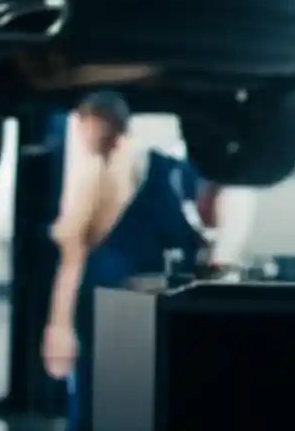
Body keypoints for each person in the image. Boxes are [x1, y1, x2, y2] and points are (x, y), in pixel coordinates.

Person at [41, 90, 220, 431]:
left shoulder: (103, 176)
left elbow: (73, 254)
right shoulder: (162, 169)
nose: (81, 135)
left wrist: (58, 325)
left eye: (83, 126)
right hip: (136, 307)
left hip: (113, 304)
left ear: (97, 123)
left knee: (108, 403)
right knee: (127, 401)